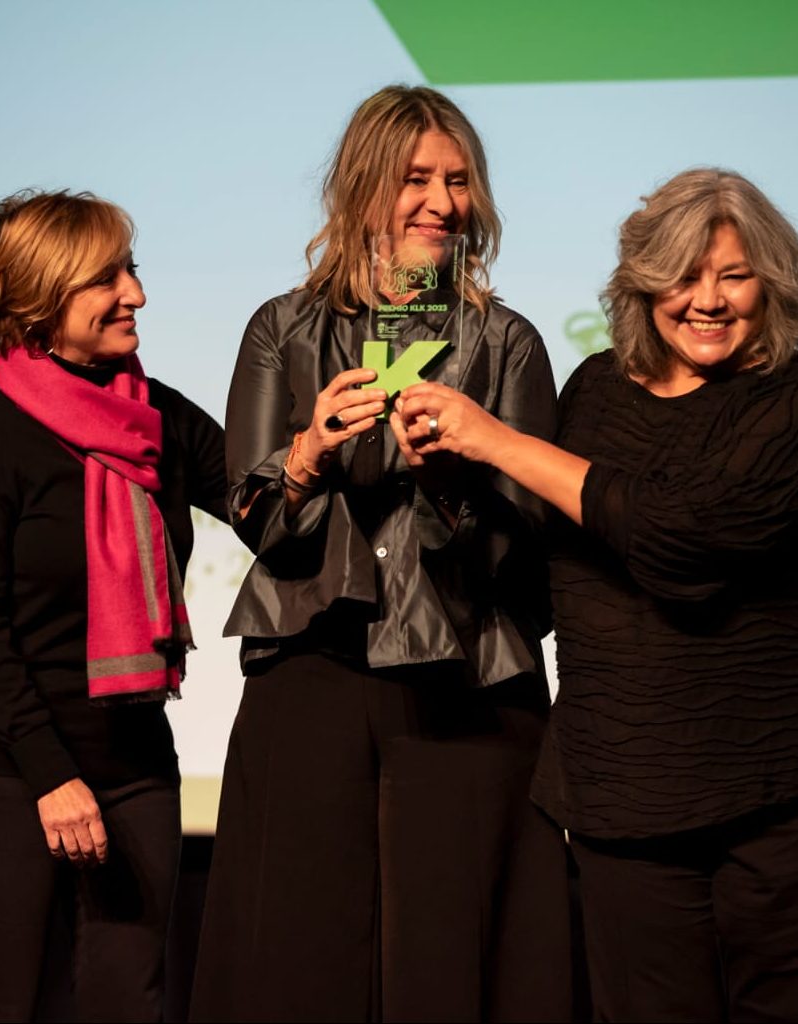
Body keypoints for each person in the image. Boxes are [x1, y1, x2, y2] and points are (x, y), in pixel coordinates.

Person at [395, 168, 798, 1022]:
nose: (705, 300)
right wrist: (451, 481)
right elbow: (545, 569)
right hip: (624, 792)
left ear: (773, 284)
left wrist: (495, 440)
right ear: (640, 285)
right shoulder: (595, 387)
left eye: (732, 275)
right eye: (679, 274)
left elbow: (681, 546)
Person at [190, 85, 570, 1023]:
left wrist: (448, 476)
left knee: (452, 959)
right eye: (415, 179)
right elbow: (255, 517)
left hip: (467, 691)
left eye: (457, 180)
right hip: (312, 677)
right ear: (363, 192)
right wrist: (310, 457)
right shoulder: (283, 328)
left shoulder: (505, 342)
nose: (442, 201)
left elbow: (528, 555)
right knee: (298, 953)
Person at [0, 189, 228, 1022]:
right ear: (40, 296)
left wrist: (314, 455)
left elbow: (265, 505)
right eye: (107, 277)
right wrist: (52, 777)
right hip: (1, 767)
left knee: (129, 1005)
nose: (136, 293)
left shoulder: (154, 414)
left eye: (131, 269)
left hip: (131, 762)